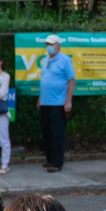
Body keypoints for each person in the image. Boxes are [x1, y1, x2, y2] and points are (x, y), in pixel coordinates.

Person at [37, 35, 75, 172]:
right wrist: (40, 99)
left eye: (51, 44)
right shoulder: (46, 60)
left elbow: (71, 81)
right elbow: (44, 81)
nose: (49, 46)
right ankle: (50, 159)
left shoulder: (65, 60)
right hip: (45, 102)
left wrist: (68, 101)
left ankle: (57, 163)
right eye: (47, 44)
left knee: (57, 133)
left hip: (58, 103)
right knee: (46, 133)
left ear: (58, 45)